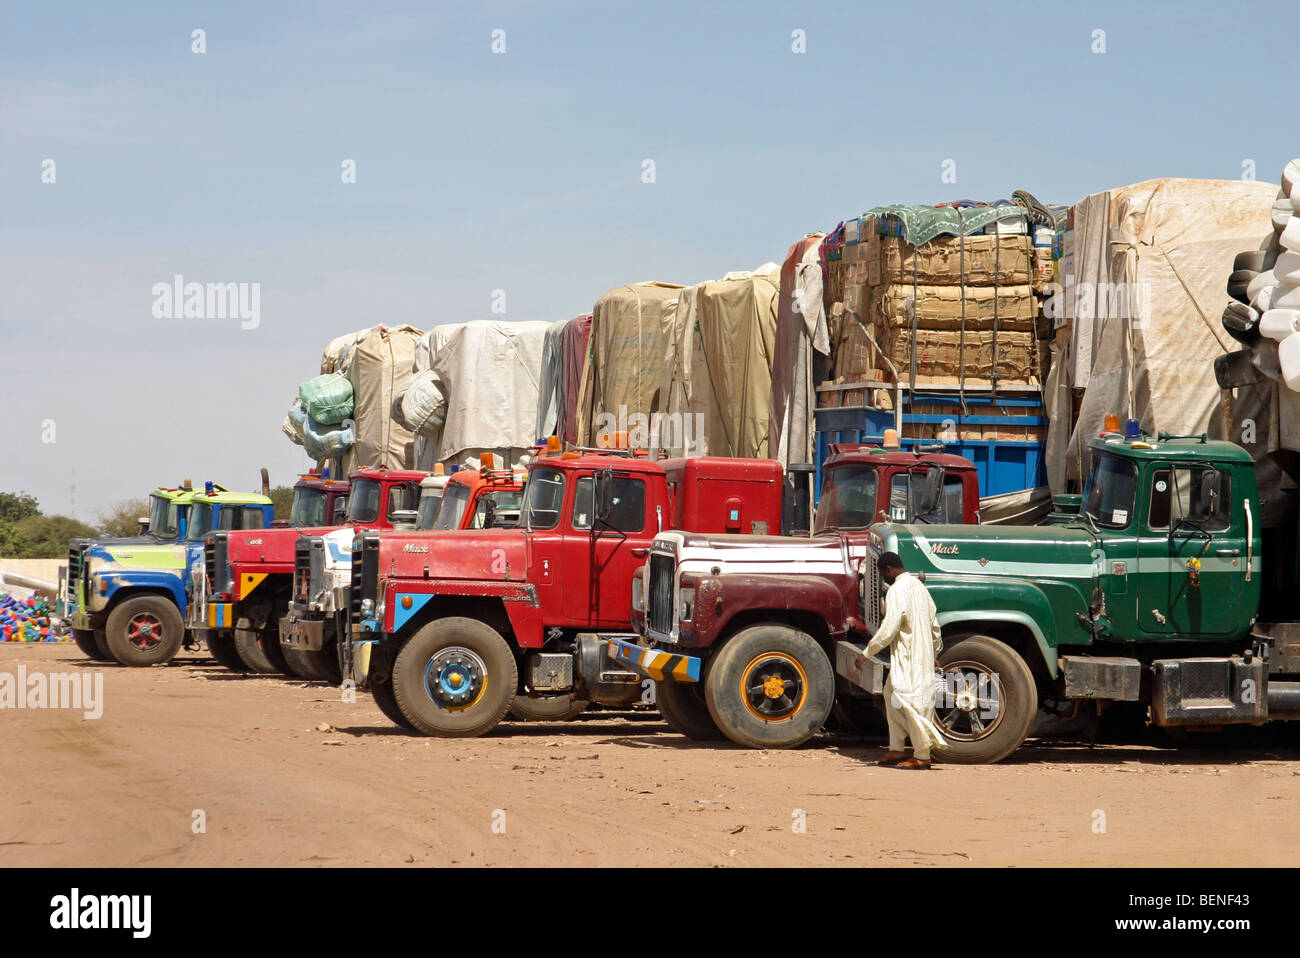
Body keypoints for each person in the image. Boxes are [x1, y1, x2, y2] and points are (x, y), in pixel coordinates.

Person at [854, 551, 947, 769]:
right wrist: (934, 653)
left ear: (888, 570)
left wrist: (867, 652)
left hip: (908, 655)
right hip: (922, 654)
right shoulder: (920, 588)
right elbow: (934, 625)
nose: (883, 578)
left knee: (909, 702)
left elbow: (890, 627)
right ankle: (896, 749)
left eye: (882, 574)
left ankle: (923, 756)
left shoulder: (896, 590)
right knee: (890, 694)